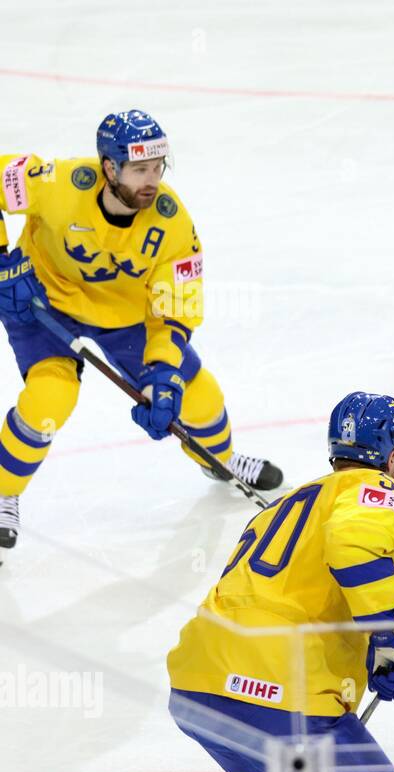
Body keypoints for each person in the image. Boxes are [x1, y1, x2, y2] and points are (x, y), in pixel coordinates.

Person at [0, 110, 282, 550]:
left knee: (198, 394)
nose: (152, 180)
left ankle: (221, 460)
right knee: (48, 399)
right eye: (139, 169)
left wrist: (163, 373)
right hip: (41, 300)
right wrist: (2, 260)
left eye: (157, 167)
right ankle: (4, 492)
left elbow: (175, 310)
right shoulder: (58, 182)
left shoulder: (172, 222)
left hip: (125, 316)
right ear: (109, 168)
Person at [166, 392, 394, 772]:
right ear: (392, 456)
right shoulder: (375, 488)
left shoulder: (281, 507)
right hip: (280, 692)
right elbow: (352, 543)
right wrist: (388, 632)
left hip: (195, 687)